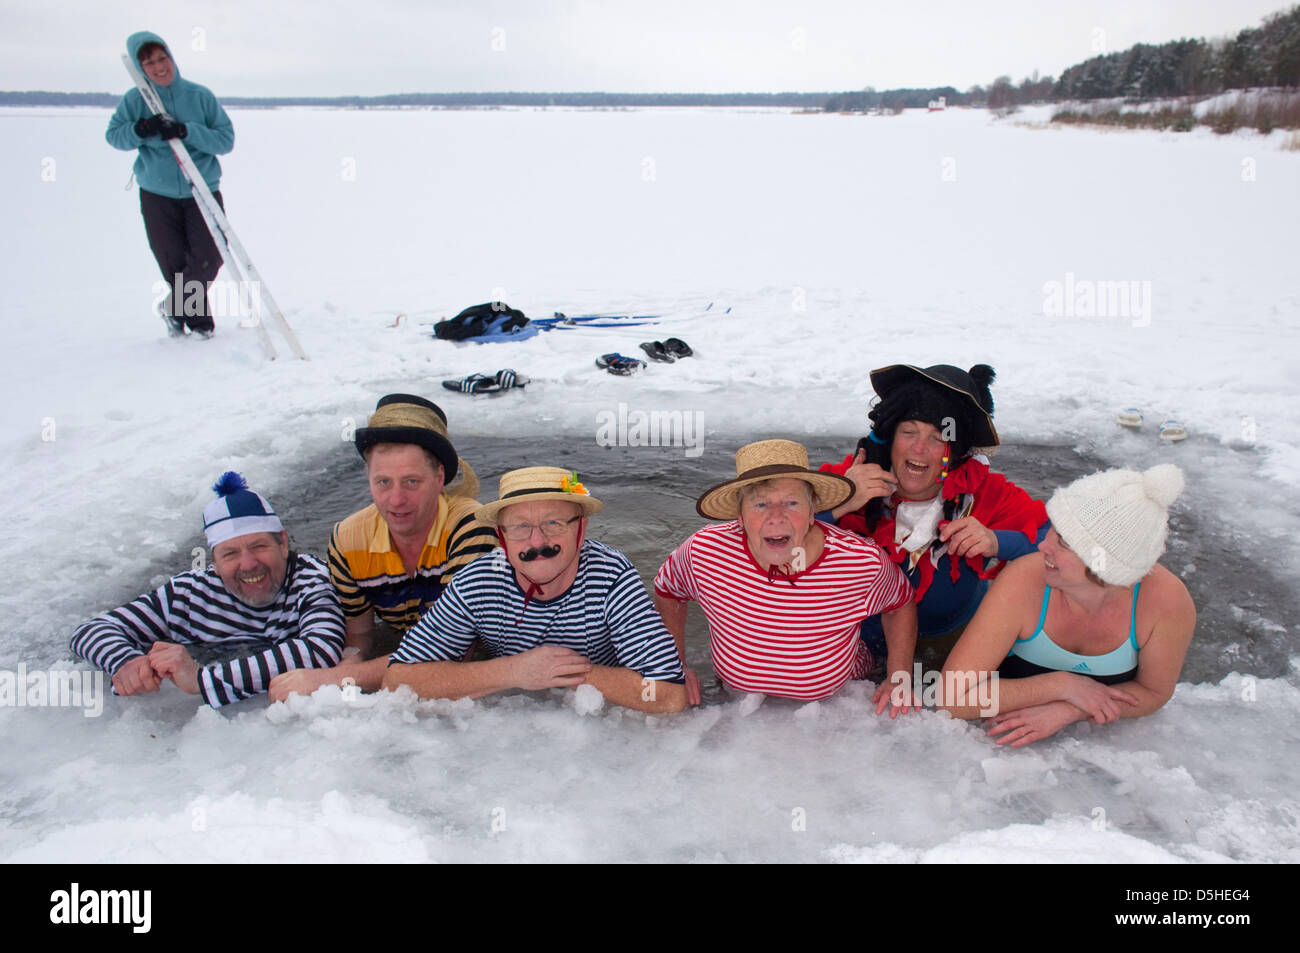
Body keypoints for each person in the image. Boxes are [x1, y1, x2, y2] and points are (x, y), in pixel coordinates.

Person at [383, 467, 687, 713]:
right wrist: (513, 671)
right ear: (501, 538)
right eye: (520, 527)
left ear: (581, 531)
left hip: (598, 720)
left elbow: (669, 695)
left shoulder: (611, 577)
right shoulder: (477, 581)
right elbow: (396, 681)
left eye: (553, 523)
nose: (537, 542)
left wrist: (566, 673)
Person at [939, 464, 1196, 746]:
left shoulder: (1166, 602)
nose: (1043, 546)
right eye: (1052, 530)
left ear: (1103, 566)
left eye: (1063, 542)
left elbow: (1154, 692)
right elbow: (951, 698)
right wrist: (1062, 686)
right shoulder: (1024, 580)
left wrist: (1071, 709)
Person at [653, 439, 917, 713]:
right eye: (760, 505)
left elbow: (899, 604)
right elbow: (668, 590)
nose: (776, 517)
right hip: (737, 698)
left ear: (812, 509)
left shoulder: (859, 560)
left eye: (791, 503)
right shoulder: (705, 552)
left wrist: (898, 675)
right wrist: (674, 667)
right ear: (740, 517)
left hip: (840, 697)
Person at [267, 395, 497, 702]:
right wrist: (350, 664)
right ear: (368, 478)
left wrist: (336, 678)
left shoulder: (470, 527)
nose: (396, 500)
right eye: (383, 482)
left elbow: (452, 649)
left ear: (439, 477)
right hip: (408, 654)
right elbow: (360, 634)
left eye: (412, 482)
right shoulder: (347, 540)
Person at [819, 364, 1048, 666]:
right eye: (908, 431)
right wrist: (840, 505)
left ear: (955, 453)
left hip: (951, 646)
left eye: (938, 438)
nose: (919, 448)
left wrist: (996, 542)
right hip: (851, 644)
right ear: (890, 438)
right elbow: (771, 541)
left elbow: (1061, 543)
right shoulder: (848, 478)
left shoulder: (985, 492)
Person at [70, 472, 345, 707]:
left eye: (259, 546)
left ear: (283, 543)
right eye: (230, 554)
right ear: (214, 560)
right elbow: (91, 630)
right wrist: (126, 662)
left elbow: (320, 649)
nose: (248, 565)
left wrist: (202, 680)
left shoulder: (315, 581)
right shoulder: (188, 594)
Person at [106, 31, 234, 337]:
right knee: (173, 261)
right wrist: (143, 128)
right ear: (140, 67)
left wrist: (185, 131)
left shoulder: (199, 95)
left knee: (210, 255)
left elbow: (225, 140)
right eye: (149, 63)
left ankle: (172, 307)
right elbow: (115, 135)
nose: (159, 67)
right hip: (157, 192)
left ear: (171, 57)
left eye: (162, 58)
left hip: (201, 188)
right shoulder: (136, 100)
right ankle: (197, 325)